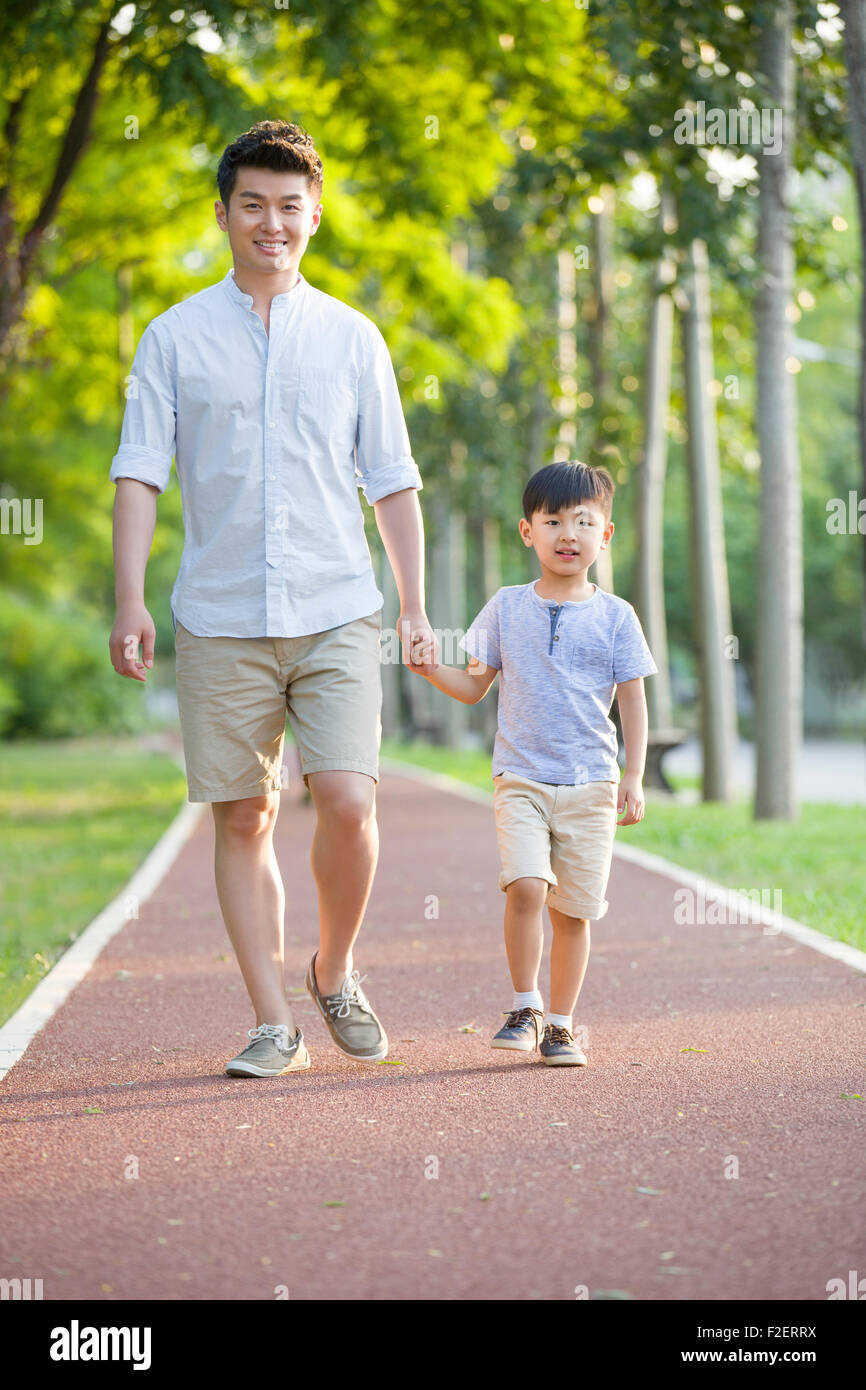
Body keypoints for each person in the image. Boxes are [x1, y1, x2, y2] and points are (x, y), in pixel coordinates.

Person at [108, 120, 437, 1078]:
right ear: (224, 214)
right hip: (217, 616)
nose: (271, 222)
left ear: (315, 215)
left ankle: (334, 968)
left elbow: (393, 479)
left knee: (344, 799)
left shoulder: (353, 337)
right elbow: (138, 474)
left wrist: (414, 608)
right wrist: (128, 599)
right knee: (243, 817)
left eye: (290, 206)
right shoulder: (172, 337)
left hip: (338, 605)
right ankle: (272, 1022)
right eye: (252, 204)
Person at [409, 460, 658, 1066]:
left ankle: (563, 1024)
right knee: (525, 886)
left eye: (582, 521)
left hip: (591, 784)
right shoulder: (505, 607)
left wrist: (633, 775)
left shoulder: (616, 615)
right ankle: (525, 1005)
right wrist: (427, 667)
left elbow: (633, 701)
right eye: (552, 521)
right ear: (528, 532)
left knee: (573, 912)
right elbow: (474, 689)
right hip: (519, 777)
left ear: (606, 534)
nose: (567, 533)